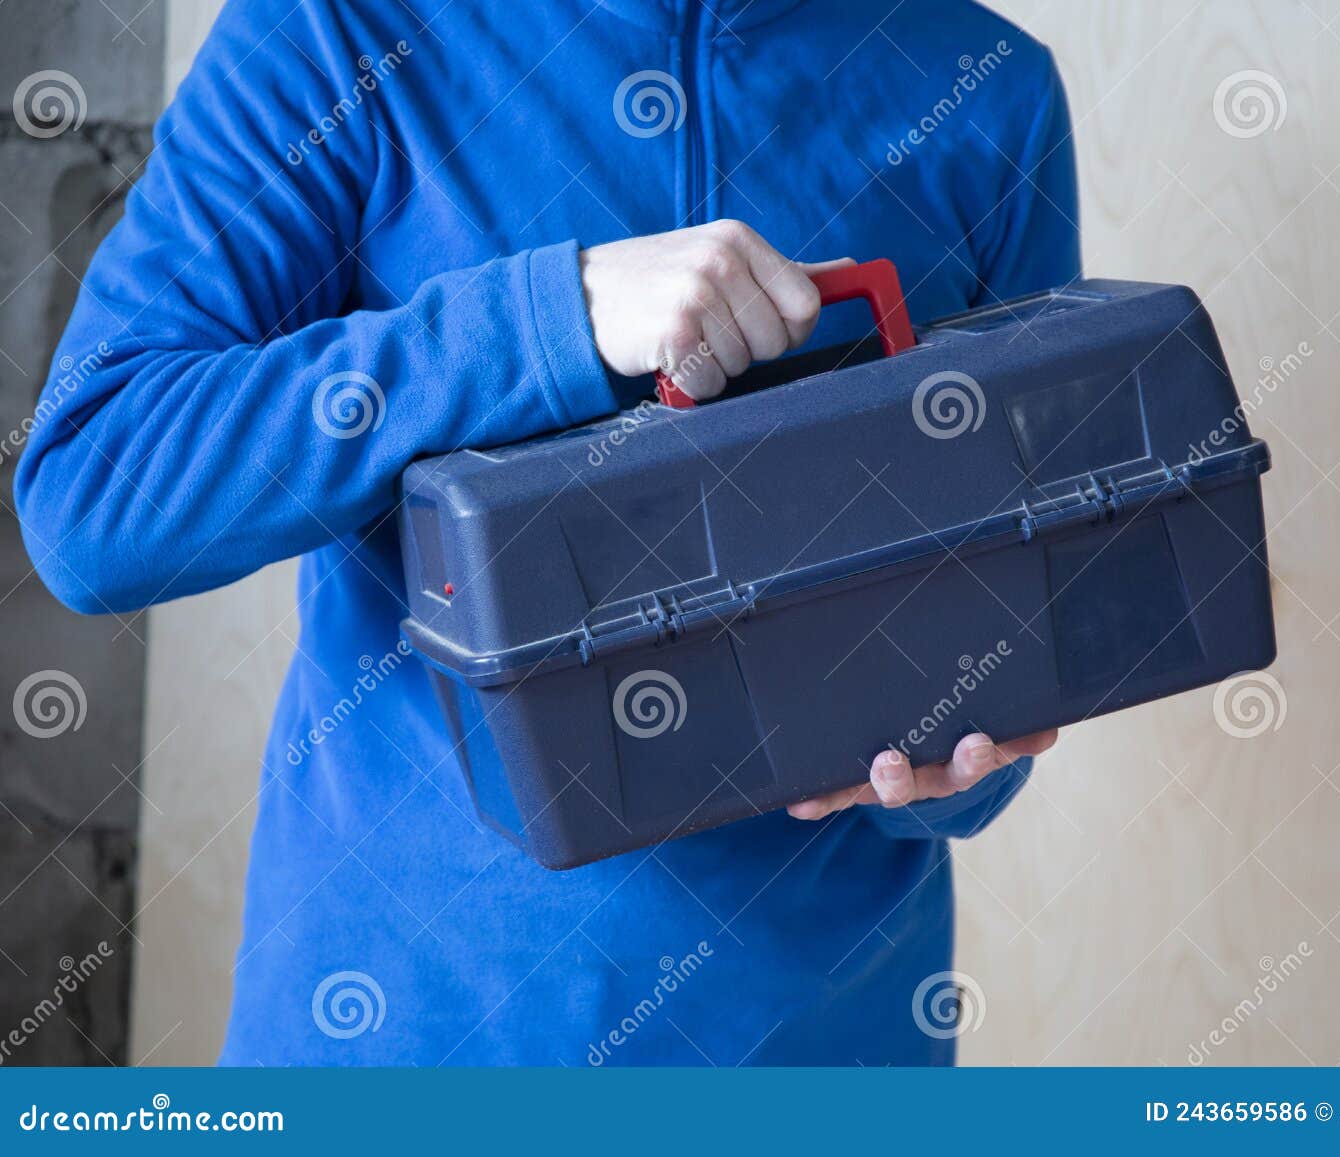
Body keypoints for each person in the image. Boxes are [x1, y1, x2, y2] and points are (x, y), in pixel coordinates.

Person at [16, 0, 1078, 1065]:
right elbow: (95, 496)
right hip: (402, 1046)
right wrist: (549, 317)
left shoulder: (986, 85)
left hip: (828, 1048)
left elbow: (1018, 612)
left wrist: (950, 766)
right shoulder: (335, 28)